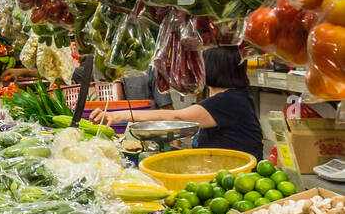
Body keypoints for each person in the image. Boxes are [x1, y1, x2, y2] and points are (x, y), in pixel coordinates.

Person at [89, 46, 264, 161]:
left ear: (213, 68)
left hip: (237, 178)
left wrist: (118, 115)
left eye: (200, 64)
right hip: (225, 169)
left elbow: (176, 117)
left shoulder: (229, 101)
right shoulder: (236, 97)